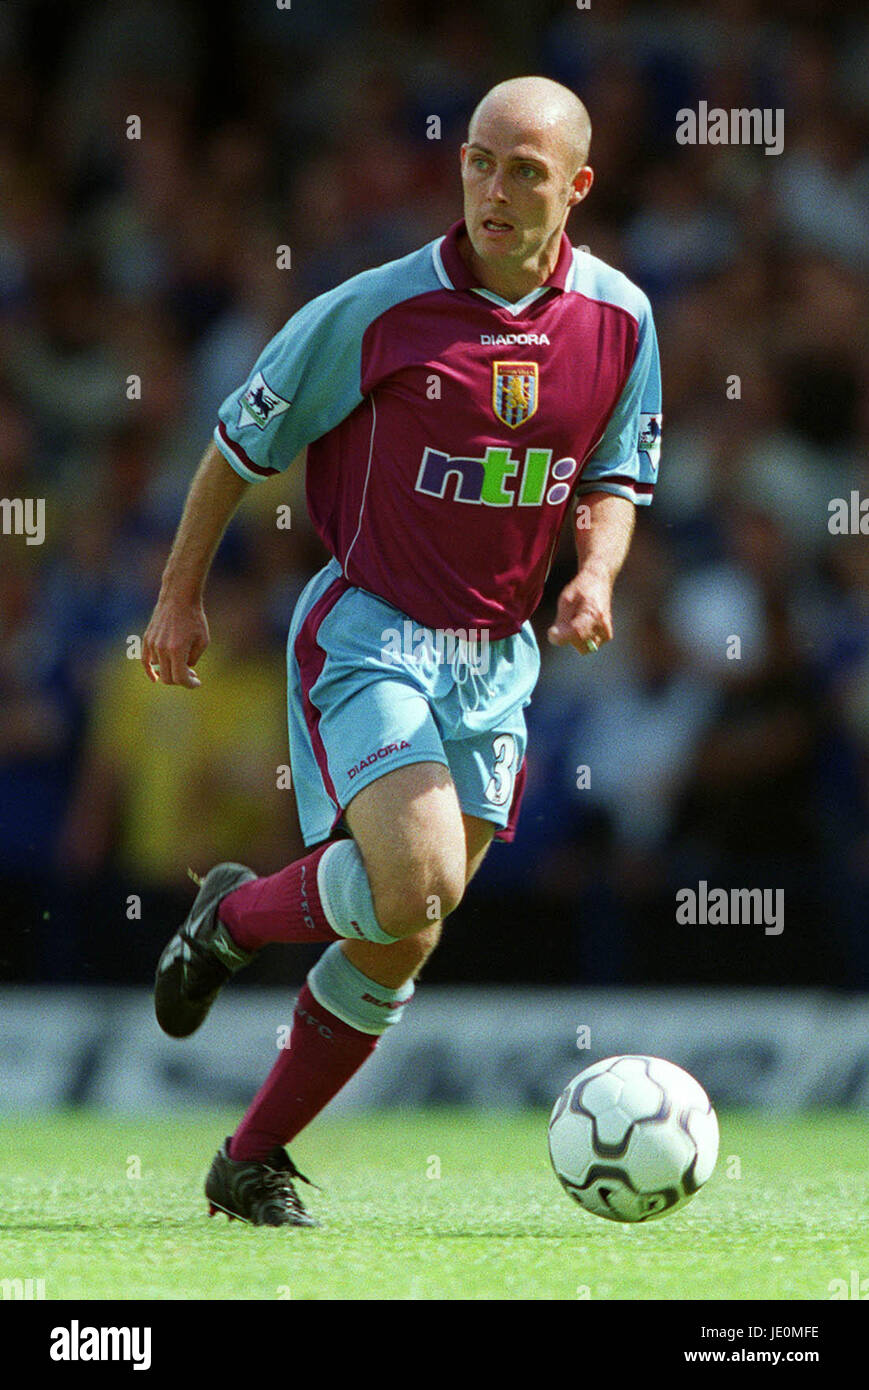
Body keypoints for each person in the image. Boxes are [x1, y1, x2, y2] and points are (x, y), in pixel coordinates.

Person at [142, 76, 661, 1226]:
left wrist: (592, 573)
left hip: (497, 656)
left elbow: (617, 473)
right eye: (477, 160)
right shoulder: (376, 310)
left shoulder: (619, 319)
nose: (491, 187)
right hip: (370, 629)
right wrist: (178, 597)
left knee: (401, 933)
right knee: (411, 882)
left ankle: (249, 1153)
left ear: (574, 187)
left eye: (523, 169)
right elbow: (238, 444)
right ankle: (230, 922)